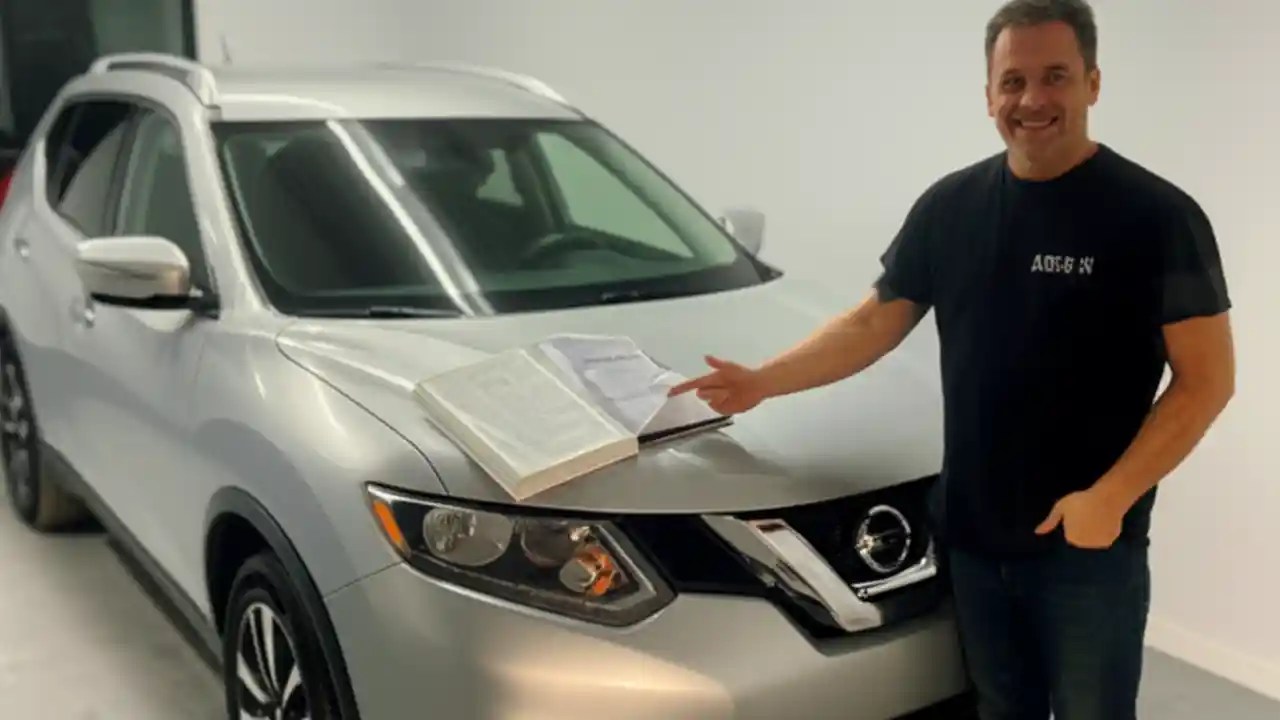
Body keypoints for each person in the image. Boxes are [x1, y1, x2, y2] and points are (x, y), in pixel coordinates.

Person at [669, 1, 1235, 718]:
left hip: (1087, 550)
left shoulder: (1156, 217)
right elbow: (874, 320)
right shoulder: (951, 207)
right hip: (969, 539)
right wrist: (761, 382)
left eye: (1054, 76)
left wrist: (1112, 498)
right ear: (988, 94)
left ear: (1093, 83)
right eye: (1013, 81)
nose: (1031, 100)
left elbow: (1208, 379)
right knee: (1000, 709)